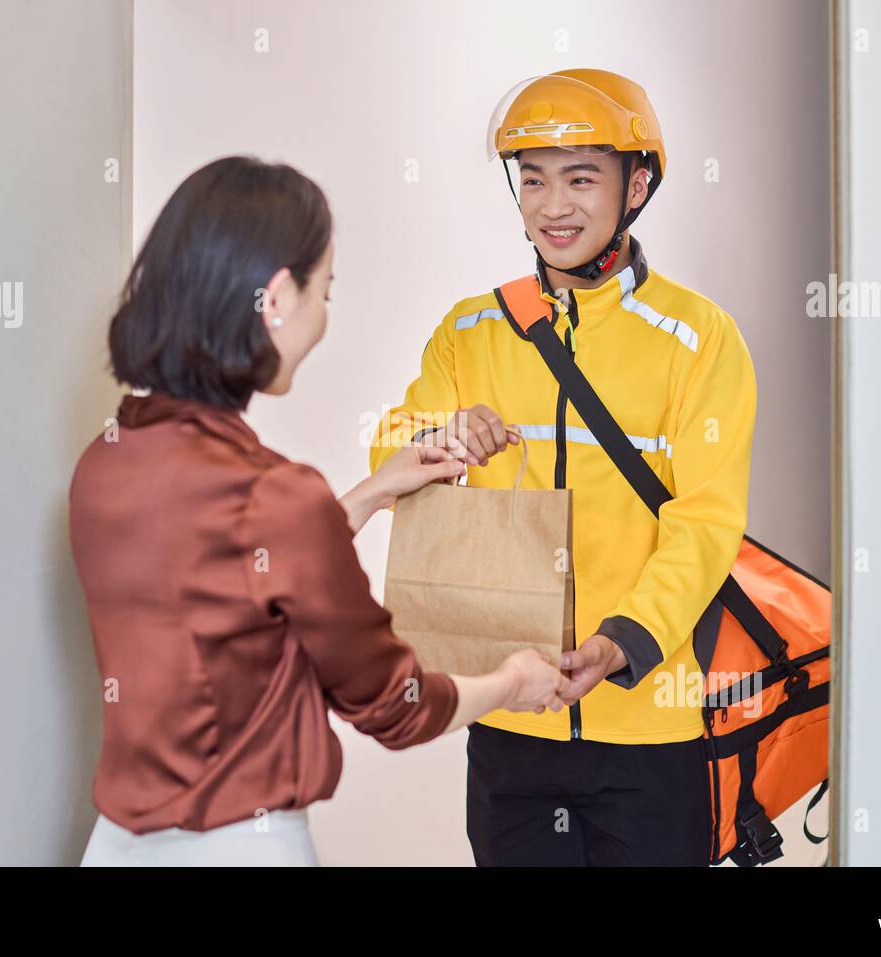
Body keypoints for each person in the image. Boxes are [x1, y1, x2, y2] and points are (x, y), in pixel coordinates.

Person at [69, 156, 566, 867]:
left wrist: (370, 493)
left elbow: (230, 576)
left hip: (115, 845)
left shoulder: (107, 460)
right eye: (323, 291)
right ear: (276, 298)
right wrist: (514, 680)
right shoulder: (276, 496)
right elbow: (396, 705)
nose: (324, 318)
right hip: (243, 848)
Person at [369, 69, 759, 866]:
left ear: (637, 183)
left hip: (648, 726)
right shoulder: (472, 328)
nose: (553, 206)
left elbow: (707, 523)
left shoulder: (699, 337)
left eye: (581, 178)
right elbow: (389, 447)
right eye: (534, 180)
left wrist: (625, 641)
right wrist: (442, 436)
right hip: (512, 720)